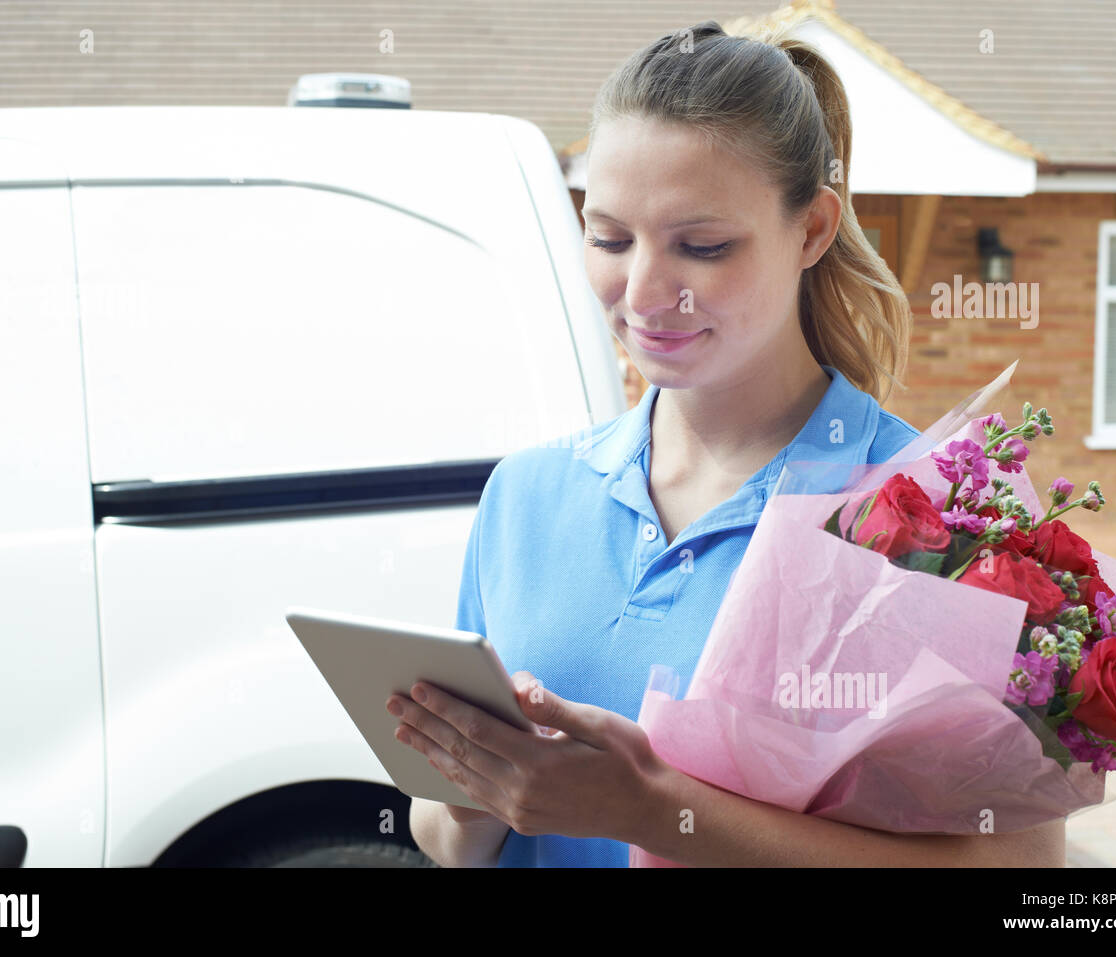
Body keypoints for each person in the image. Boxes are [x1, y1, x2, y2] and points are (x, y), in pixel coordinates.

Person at [394, 20, 1067, 867]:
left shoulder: (941, 514)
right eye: (607, 236)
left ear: (814, 230)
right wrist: (479, 793)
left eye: (701, 245)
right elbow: (440, 830)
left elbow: (1021, 872)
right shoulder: (525, 495)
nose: (640, 292)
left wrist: (653, 809)